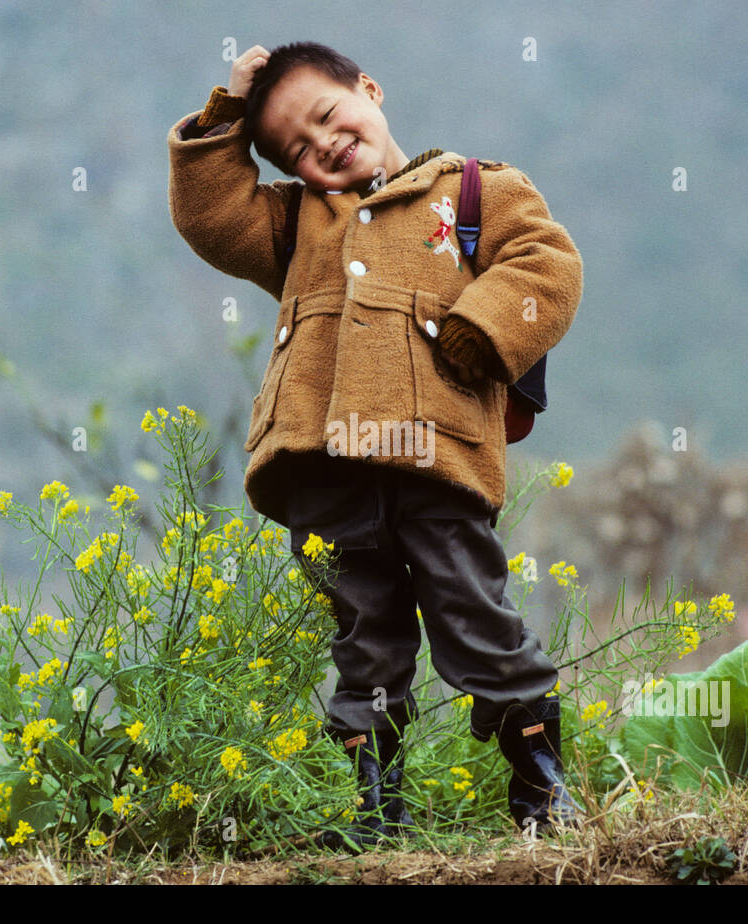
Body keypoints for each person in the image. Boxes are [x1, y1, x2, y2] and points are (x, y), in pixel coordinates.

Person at [168, 41, 584, 850]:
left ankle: (543, 791)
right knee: (365, 639)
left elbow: (550, 264)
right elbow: (210, 216)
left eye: (325, 116)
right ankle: (376, 816)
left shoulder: (477, 190)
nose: (318, 145)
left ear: (370, 88)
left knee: (476, 620)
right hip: (323, 472)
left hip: (438, 464)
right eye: (294, 149)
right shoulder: (294, 222)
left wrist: (484, 325)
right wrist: (226, 113)